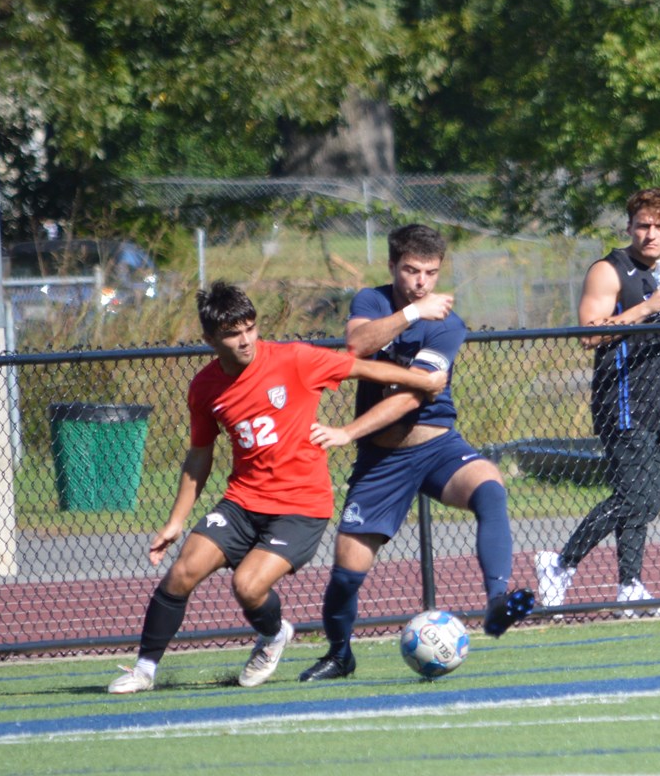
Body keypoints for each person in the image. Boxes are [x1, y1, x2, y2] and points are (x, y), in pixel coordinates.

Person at [109, 280, 454, 694]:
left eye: (250, 328)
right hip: (242, 501)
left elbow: (358, 366)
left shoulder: (294, 359)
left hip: (300, 507)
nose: (245, 340)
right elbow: (199, 455)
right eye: (232, 334)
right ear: (209, 339)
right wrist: (176, 521)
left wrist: (424, 382)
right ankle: (144, 670)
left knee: (248, 586)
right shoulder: (204, 388)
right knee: (182, 572)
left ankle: (273, 635)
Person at [298, 224, 534, 681]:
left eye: (430, 272)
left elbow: (415, 396)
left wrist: (347, 431)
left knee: (490, 488)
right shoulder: (372, 301)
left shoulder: (447, 322)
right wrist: (410, 313)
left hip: (437, 447)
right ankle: (339, 654)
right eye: (411, 270)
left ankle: (498, 601)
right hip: (382, 461)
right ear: (392, 267)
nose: (422, 282)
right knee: (347, 571)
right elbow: (355, 346)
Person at [533, 188, 660, 618]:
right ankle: (561, 563)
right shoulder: (610, 270)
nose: (650, 235)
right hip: (624, 401)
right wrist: (643, 309)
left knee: (650, 502)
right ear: (629, 227)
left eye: (659, 227)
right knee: (633, 497)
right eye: (642, 226)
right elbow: (589, 333)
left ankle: (630, 587)